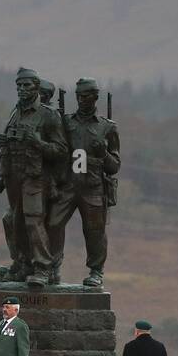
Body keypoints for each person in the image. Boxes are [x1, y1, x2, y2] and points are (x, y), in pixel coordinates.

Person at [0, 66, 68, 288]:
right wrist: (4, 141)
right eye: (19, 86)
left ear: (36, 87)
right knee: (16, 220)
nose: (22, 89)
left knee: (34, 220)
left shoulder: (48, 115)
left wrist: (37, 142)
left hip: (35, 176)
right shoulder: (16, 112)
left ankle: (43, 268)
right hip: (13, 175)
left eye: (26, 85)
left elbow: (61, 150)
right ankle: (24, 264)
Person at [47, 76, 119, 287]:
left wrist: (103, 153)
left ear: (95, 97)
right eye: (78, 96)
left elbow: (115, 166)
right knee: (53, 223)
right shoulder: (66, 122)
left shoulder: (108, 128)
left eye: (86, 96)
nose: (81, 100)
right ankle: (52, 266)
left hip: (93, 187)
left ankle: (96, 271)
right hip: (68, 185)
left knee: (95, 230)